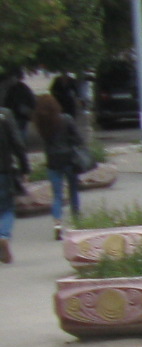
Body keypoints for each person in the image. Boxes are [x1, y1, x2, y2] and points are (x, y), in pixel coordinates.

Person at [33, 93, 88, 237]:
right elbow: (77, 138)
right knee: (73, 191)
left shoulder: (42, 123)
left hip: (52, 162)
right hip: (69, 159)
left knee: (57, 195)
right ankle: (77, 221)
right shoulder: (66, 119)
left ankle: (57, 223)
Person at [0, 102, 27, 264]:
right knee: (8, 207)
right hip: (4, 170)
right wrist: (24, 168)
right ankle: (3, 235)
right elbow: (17, 143)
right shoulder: (5, 115)